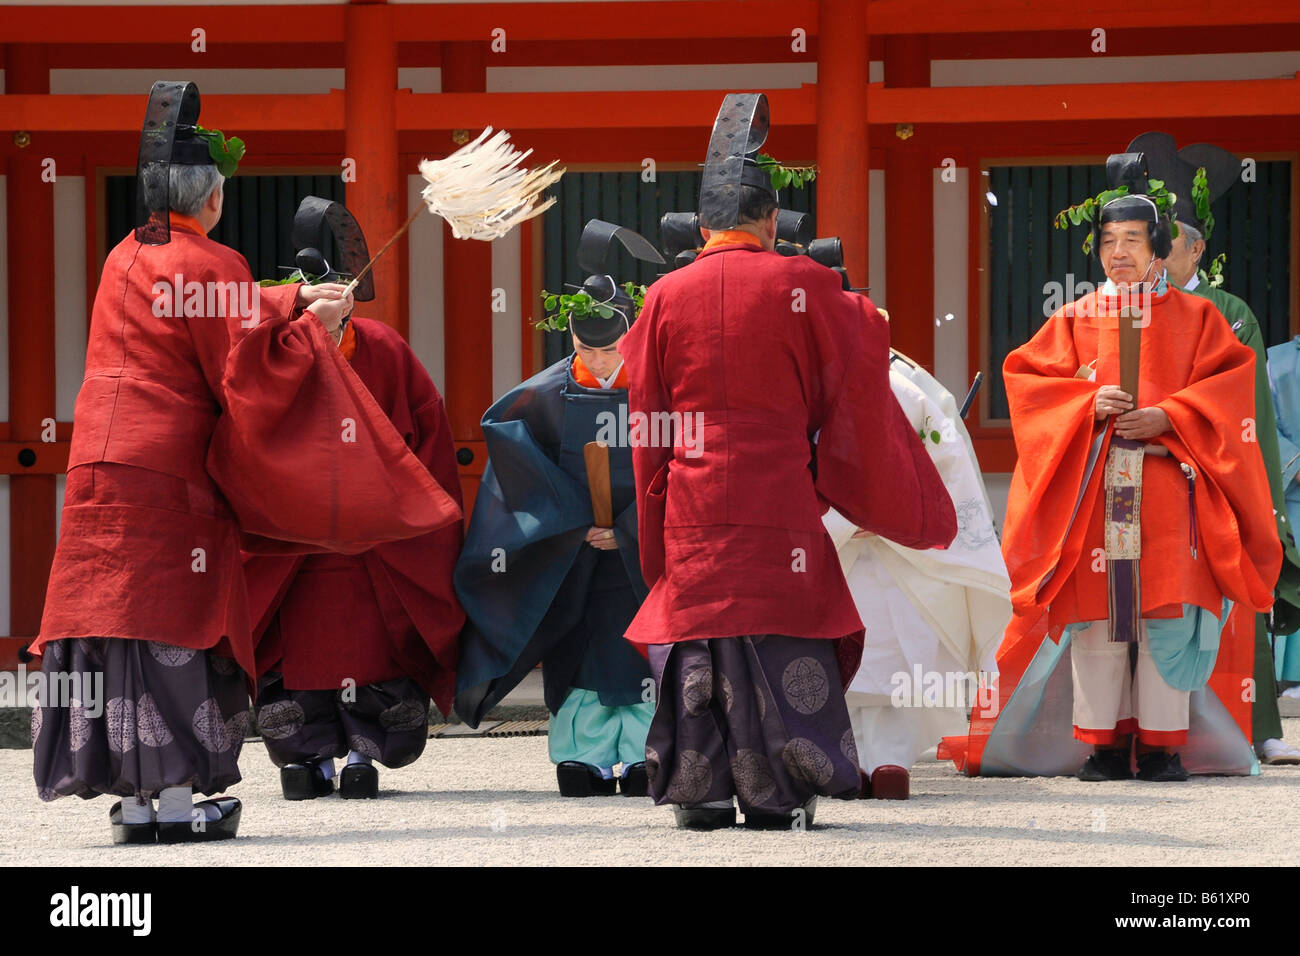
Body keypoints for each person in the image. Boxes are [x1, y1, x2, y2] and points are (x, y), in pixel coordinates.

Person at [29, 82, 461, 844]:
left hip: (98, 461)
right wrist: (315, 328)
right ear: (215, 198)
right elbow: (243, 369)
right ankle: (173, 799)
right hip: (169, 468)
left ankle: (134, 803)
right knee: (172, 624)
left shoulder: (122, 258)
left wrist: (293, 301)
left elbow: (208, 324)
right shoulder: (215, 261)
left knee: (112, 619)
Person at [620, 93, 956, 830]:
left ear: (701, 226)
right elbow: (865, 343)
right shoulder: (803, 283)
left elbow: (647, 419)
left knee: (701, 632)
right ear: (772, 222)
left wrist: (653, 503)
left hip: (694, 496)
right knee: (780, 633)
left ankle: (701, 793)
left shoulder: (663, 298)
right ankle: (778, 793)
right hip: (777, 493)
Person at [940, 153, 1279, 782]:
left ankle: (1160, 745)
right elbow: (1027, 381)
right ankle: (1100, 744)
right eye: (1108, 241)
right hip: (1096, 488)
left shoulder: (1199, 317)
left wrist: (1171, 417)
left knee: (1163, 615)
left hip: (1166, 485)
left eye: (1132, 240)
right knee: (1097, 618)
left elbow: (1230, 390)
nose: (1118, 252)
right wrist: (1084, 403)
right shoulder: (1074, 316)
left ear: (1159, 247)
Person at [244, 197, 466, 800]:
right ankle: (306, 753)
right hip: (293, 541)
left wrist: (417, 511)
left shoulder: (386, 351)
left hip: (376, 540)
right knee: (296, 649)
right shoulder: (268, 352)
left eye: (335, 300)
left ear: (350, 297)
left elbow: (430, 442)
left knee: (373, 641)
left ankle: (365, 750)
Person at [454, 220, 664, 797]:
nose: (598, 361)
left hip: (639, 548)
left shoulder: (658, 389)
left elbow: (678, 465)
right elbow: (515, 463)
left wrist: (626, 527)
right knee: (579, 648)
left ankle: (648, 750)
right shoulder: (543, 394)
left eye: (609, 349)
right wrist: (573, 525)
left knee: (638, 649)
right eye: (585, 349)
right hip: (569, 553)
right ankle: (583, 756)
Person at [1129, 131, 1300, 765]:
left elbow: (1245, 406)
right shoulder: (1126, 306)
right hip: (1135, 476)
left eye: (1162, 237)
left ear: (1195, 246)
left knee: (1229, 588)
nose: (1148, 249)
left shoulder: (1228, 311)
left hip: (1209, 474)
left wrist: (1182, 430)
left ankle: (1253, 727)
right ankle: (1122, 731)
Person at [826, 350, 1011, 799]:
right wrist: (897, 516)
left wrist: (840, 520)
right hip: (908, 553)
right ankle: (890, 762)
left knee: (844, 655)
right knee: (899, 656)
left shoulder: (811, 381)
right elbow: (950, 463)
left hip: (837, 548)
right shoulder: (912, 385)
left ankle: (851, 762)